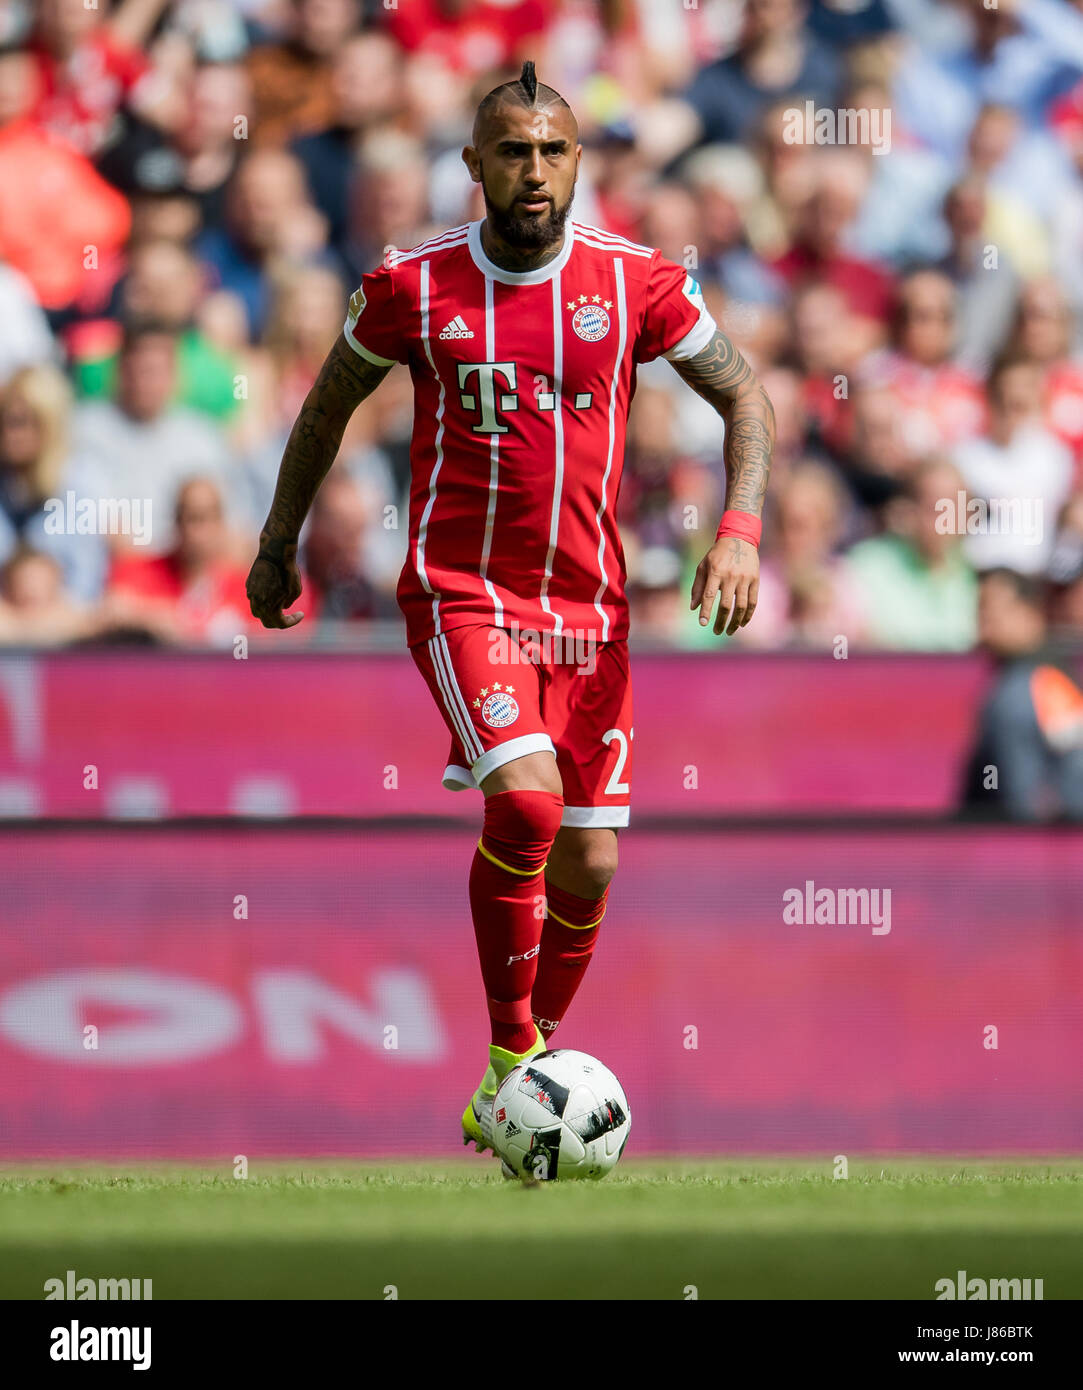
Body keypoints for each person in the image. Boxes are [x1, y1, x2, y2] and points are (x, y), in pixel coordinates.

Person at [246, 62, 774, 1166]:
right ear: (477, 164)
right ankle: (507, 1064)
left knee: (590, 868)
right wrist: (278, 537)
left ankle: (522, 1081)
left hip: (592, 615)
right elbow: (327, 405)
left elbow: (744, 395)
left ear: (578, 162)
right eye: (512, 151)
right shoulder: (412, 284)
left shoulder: (638, 281)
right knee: (526, 814)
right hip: (464, 589)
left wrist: (741, 530)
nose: (534, 170)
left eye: (553, 150)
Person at [960, 568, 1083, 821]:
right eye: (979, 612)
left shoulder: (1021, 692)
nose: (983, 625)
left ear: (1031, 613)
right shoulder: (1049, 679)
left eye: (990, 610)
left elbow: (1021, 802)